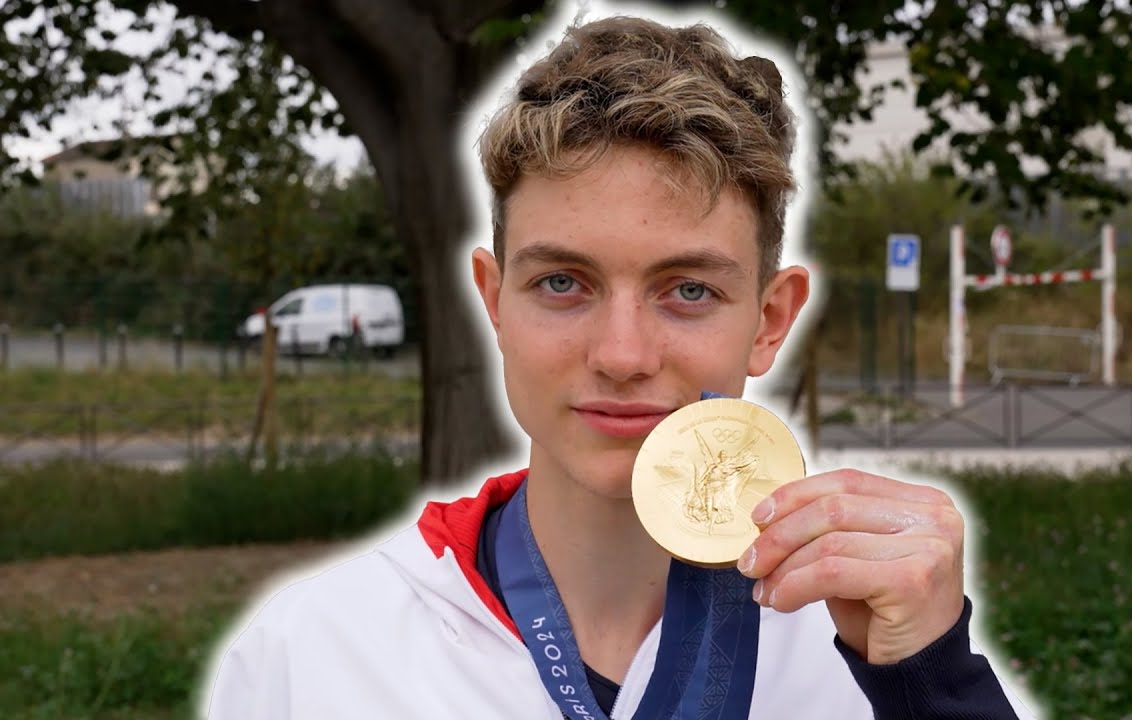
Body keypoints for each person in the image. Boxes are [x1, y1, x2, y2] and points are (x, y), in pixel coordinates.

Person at [205, 9, 1039, 719]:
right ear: (495, 301)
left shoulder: (869, 646)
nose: (623, 354)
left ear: (769, 319)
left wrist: (934, 689)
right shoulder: (314, 653)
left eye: (688, 291)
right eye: (563, 283)